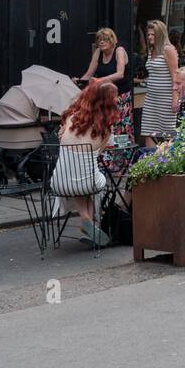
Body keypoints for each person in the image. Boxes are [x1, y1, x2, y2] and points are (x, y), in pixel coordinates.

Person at [50, 79, 119, 249]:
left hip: (59, 182)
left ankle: (86, 222)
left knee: (78, 178)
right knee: (92, 180)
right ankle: (91, 221)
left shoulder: (70, 119)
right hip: (87, 183)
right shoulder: (105, 129)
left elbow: (63, 142)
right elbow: (99, 154)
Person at [75, 28, 132, 144]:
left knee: (120, 126)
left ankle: (123, 158)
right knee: (105, 126)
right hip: (105, 97)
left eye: (105, 39)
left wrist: (99, 80)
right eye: (99, 39)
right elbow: (89, 74)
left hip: (120, 96)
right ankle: (105, 156)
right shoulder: (98, 52)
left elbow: (120, 74)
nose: (101, 42)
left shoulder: (119, 51)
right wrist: (79, 81)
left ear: (112, 41)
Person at [140, 19, 179, 146]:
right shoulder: (152, 51)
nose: (150, 37)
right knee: (149, 131)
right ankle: (149, 162)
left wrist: (175, 97)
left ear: (160, 35)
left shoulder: (168, 49)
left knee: (167, 133)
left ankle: (167, 162)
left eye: (153, 34)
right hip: (151, 98)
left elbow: (175, 76)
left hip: (166, 98)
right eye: (149, 34)